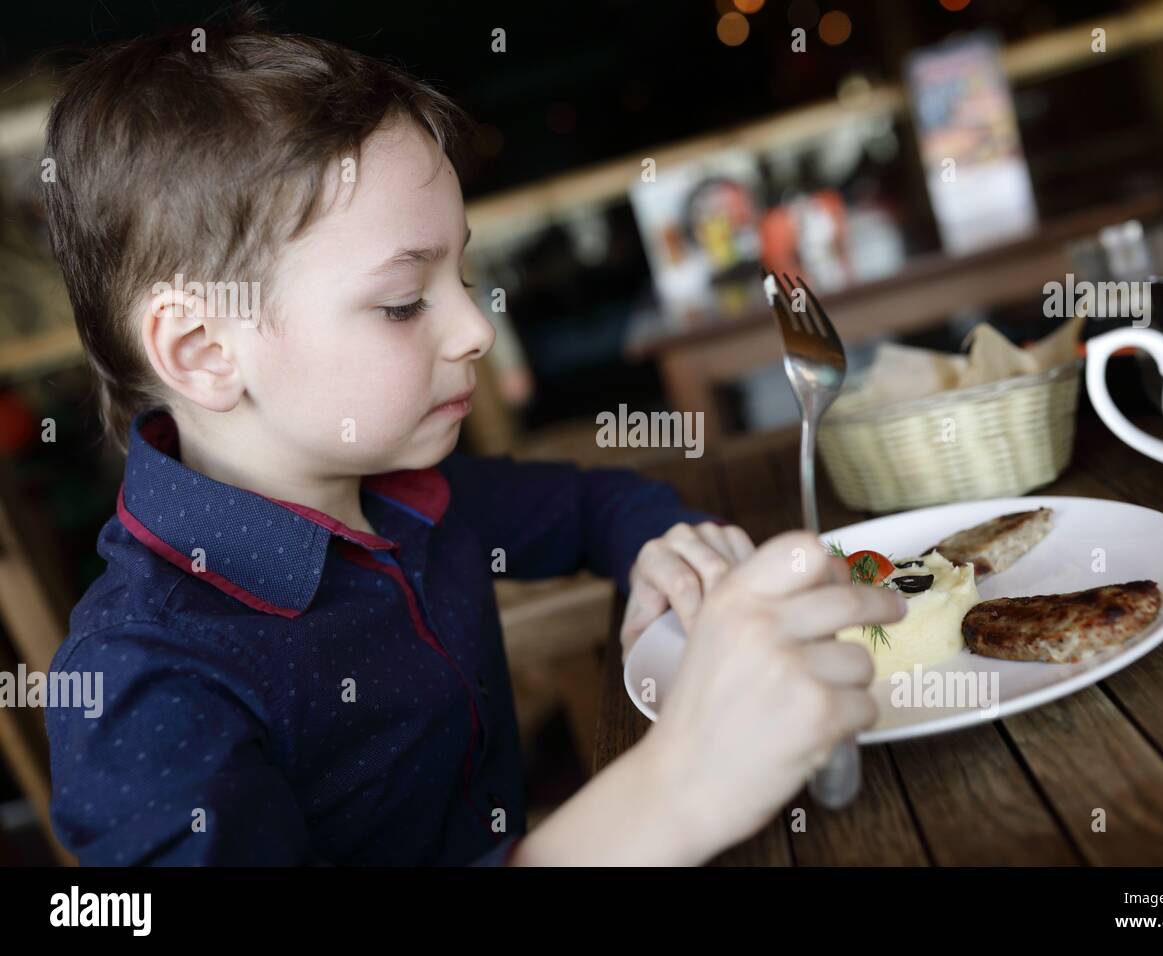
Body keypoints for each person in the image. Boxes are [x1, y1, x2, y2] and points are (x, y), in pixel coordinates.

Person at [41, 11, 905, 865]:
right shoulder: (144, 684)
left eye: (462, 271)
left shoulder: (409, 490)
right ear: (203, 350)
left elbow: (592, 502)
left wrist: (664, 552)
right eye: (403, 302)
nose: (474, 329)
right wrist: (676, 791)